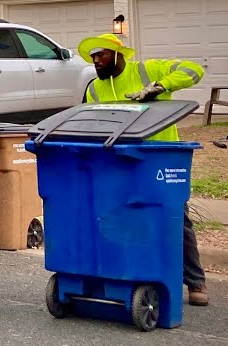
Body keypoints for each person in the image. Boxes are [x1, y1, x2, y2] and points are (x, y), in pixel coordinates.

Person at [78, 33, 210, 307]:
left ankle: (196, 281)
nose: (96, 62)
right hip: (119, 162)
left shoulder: (146, 70)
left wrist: (160, 86)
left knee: (176, 219)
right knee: (124, 218)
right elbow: (89, 121)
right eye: (93, 58)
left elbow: (194, 70)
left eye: (100, 55)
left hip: (160, 158)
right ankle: (137, 275)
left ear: (118, 55)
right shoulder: (94, 89)